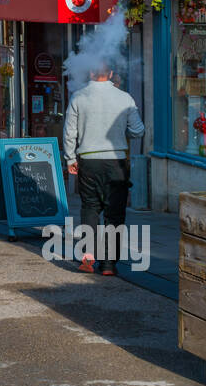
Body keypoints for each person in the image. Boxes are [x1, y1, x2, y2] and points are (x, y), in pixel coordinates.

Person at [62, 62, 145, 276]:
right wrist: (120, 133)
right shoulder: (124, 98)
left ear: (90, 72)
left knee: (90, 207)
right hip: (116, 160)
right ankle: (108, 264)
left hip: (88, 160)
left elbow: (69, 132)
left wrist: (70, 158)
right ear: (110, 74)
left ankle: (88, 256)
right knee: (114, 213)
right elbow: (138, 130)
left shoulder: (79, 97)